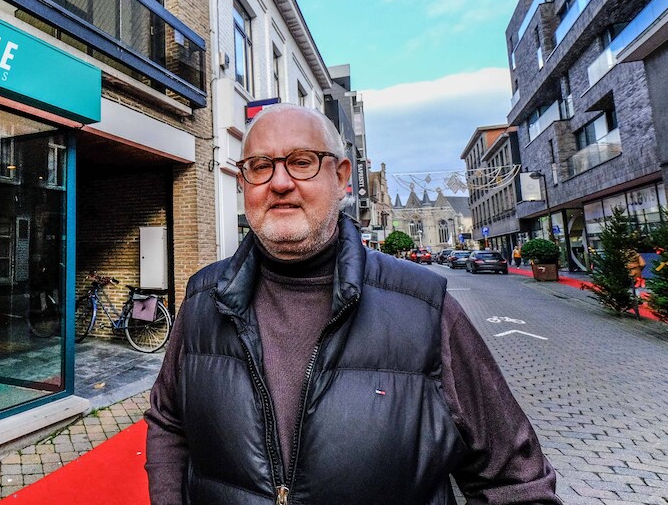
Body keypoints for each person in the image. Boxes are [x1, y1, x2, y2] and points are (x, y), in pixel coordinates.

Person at [144, 104, 559, 504]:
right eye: (260, 166)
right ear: (243, 182)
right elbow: (169, 421)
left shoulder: (424, 309)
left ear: (342, 177)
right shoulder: (202, 298)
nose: (280, 182)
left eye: (301, 162)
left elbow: (515, 482)